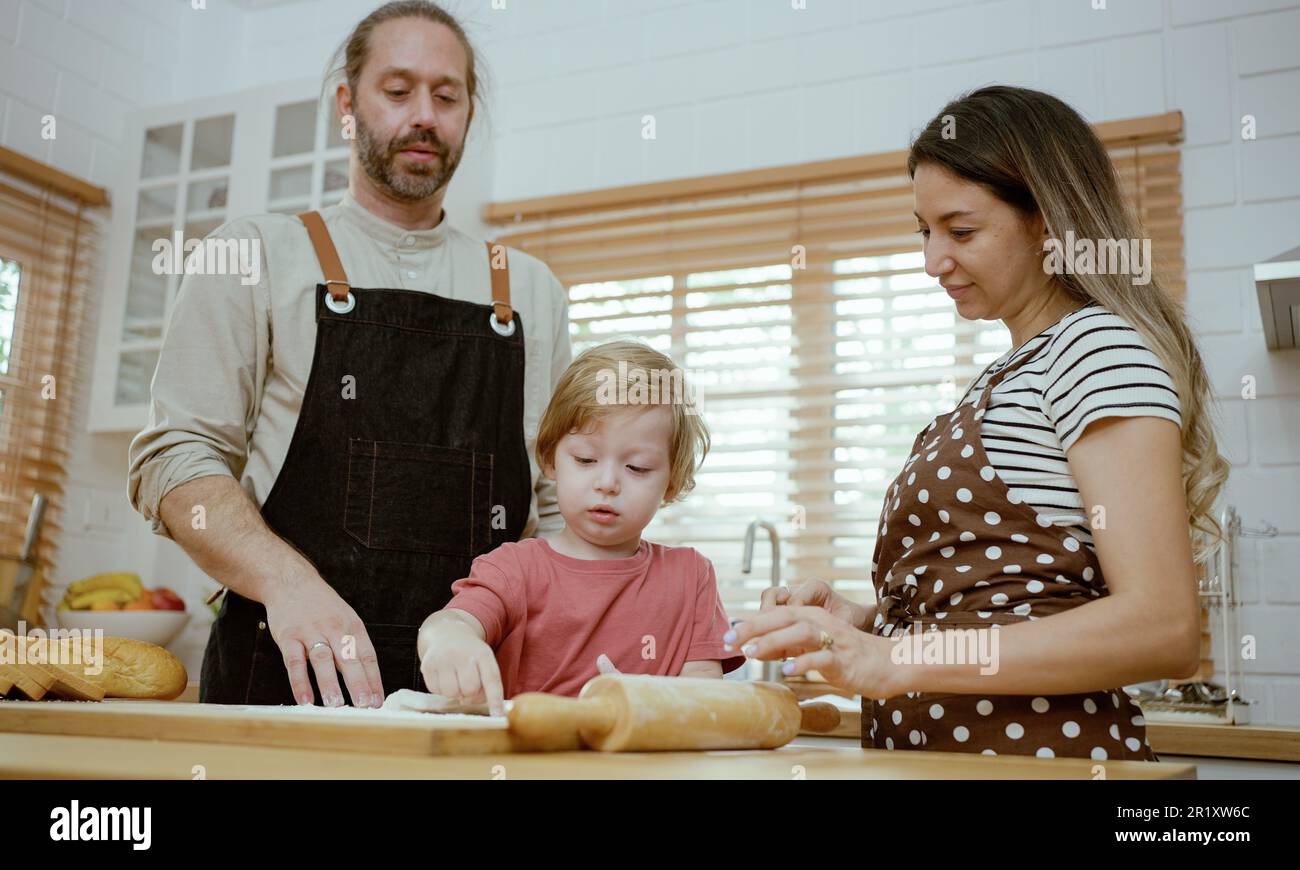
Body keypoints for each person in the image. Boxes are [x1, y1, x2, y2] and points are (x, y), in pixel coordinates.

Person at [726, 86, 1229, 760]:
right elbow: (999, 601)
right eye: (924, 231)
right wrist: (863, 624)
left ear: (1048, 222)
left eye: (961, 231)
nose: (933, 261)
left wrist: (894, 662)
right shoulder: (1010, 372)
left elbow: (1162, 627)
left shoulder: (1095, 350)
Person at [127, 1, 572, 707]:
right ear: (347, 104)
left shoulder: (531, 291)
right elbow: (175, 456)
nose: (423, 114)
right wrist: (287, 582)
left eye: (447, 95)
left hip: (472, 694)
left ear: (468, 113)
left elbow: (557, 509)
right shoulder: (255, 254)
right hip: (278, 681)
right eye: (397, 91)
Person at [417, 341, 743, 715]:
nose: (607, 483)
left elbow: (706, 700)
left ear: (671, 481)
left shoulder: (691, 577)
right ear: (551, 460)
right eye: (585, 459)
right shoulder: (514, 569)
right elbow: (452, 621)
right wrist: (448, 638)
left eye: (636, 467)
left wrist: (641, 708)